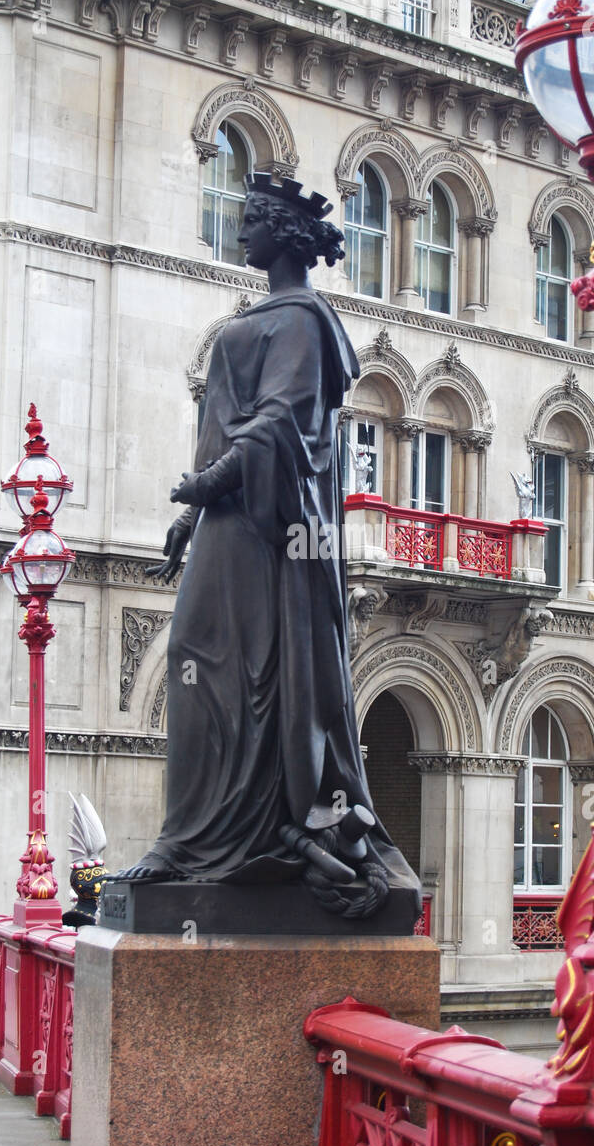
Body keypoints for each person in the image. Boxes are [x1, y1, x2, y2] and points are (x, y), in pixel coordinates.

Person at [119, 174, 418, 919]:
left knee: (251, 674)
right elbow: (225, 426)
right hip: (226, 519)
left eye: (252, 219)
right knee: (195, 661)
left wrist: (206, 485)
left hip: (273, 532)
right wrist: (193, 515)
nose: (240, 227)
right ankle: (190, 838)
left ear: (283, 235)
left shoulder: (305, 322)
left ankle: (250, 833)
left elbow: (282, 424)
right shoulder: (251, 320)